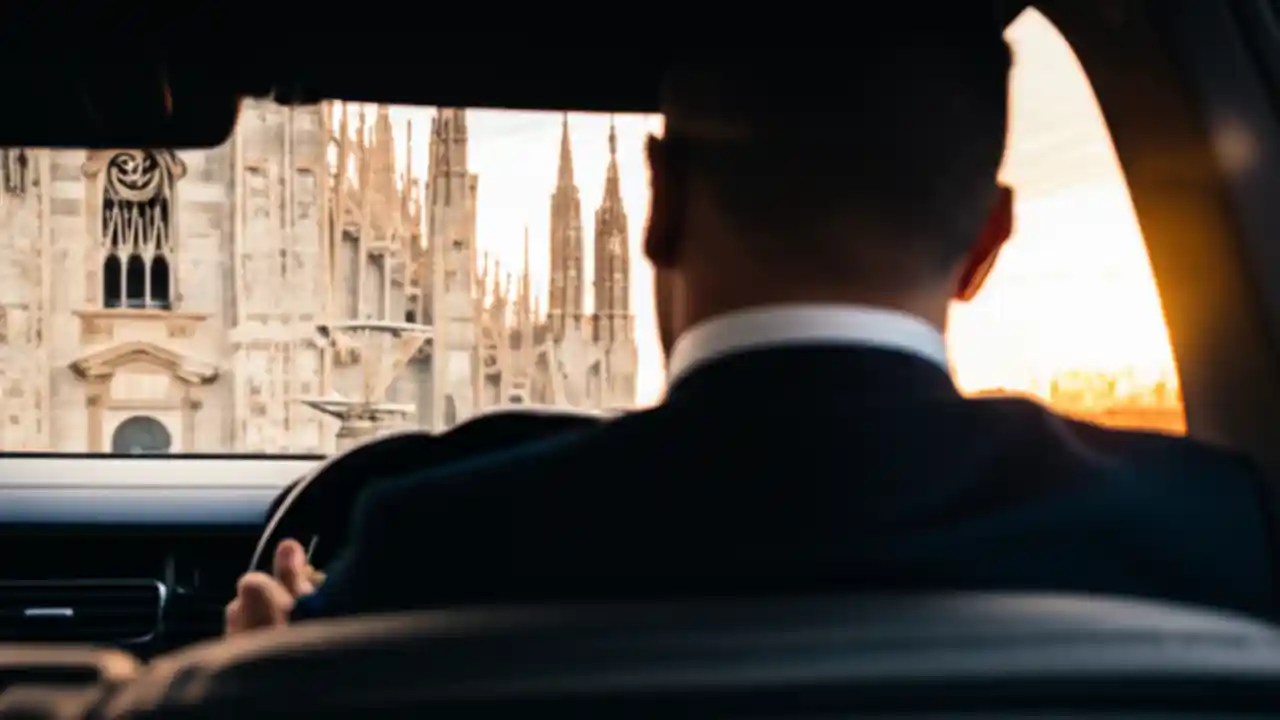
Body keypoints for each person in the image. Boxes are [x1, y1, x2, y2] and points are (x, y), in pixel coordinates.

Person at [227, 24, 1277, 634]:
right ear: (984, 243)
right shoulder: (1211, 541)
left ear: (659, 205)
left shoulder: (428, 558)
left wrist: (271, 669)